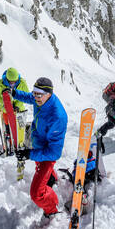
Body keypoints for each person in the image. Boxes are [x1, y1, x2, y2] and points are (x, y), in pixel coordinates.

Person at [16, 77, 67, 218]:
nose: (35, 97)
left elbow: (54, 153)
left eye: (39, 94)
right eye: (34, 93)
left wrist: (29, 154)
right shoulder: (40, 99)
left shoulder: (57, 117)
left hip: (46, 154)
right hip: (38, 144)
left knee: (36, 194)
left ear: (49, 94)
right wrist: (13, 93)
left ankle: (53, 209)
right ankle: (51, 178)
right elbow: (28, 97)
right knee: (41, 168)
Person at [0, 67, 32, 154]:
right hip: (6, 109)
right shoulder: (0, 84)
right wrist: (5, 102)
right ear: (7, 79)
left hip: (19, 109)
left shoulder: (22, 83)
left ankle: (20, 144)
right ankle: (9, 142)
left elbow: (25, 96)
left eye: (15, 81)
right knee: (8, 125)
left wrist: (17, 105)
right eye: (11, 82)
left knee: (20, 127)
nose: (13, 83)